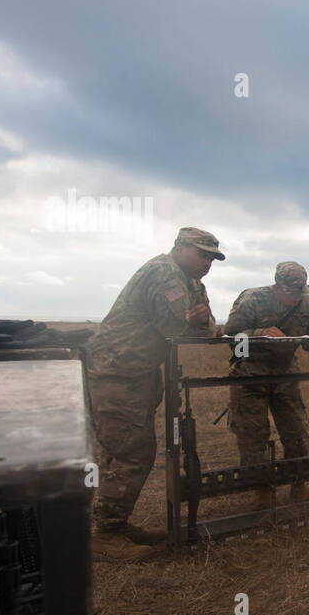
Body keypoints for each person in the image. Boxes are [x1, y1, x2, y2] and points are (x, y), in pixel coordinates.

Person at [87, 227, 223, 560]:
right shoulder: (164, 273)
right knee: (131, 451)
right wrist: (195, 321)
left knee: (125, 450)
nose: (207, 263)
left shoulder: (191, 282)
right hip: (117, 372)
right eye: (201, 254)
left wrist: (198, 320)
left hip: (138, 373)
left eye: (212, 257)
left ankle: (114, 525)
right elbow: (175, 329)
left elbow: (206, 326)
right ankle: (104, 534)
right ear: (180, 248)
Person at [224, 261, 309, 505]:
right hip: (249, 375)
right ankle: (262, 489)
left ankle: (299, 484)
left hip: (285, 374)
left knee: (297, 430)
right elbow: (230, 338)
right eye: (290, 294)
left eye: (299, 294)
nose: (294, 300)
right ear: (277, 286)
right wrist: (260, 334)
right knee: (252, 435)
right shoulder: (252, 299)